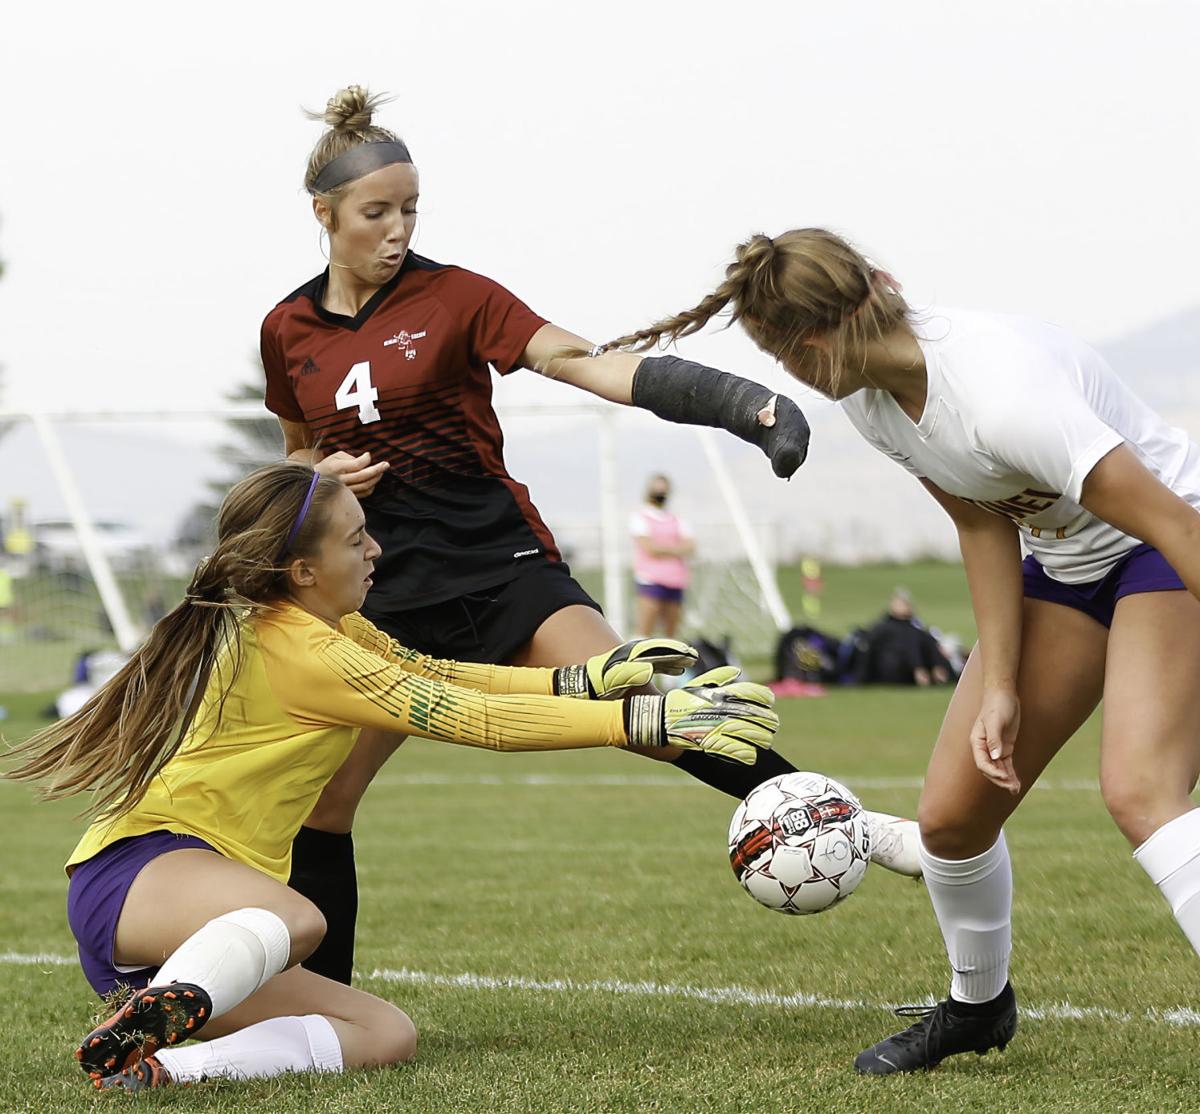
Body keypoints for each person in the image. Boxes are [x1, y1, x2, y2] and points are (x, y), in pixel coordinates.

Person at [588, 226, 1200, 1074]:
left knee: (1143, 792)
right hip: (1062, 566)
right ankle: (978, 1009)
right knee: (952, 819)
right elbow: (981, 522)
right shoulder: (868, 397)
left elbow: (1171, 521)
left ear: (808, 346)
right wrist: (1000, 684)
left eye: (778, 354)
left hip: (1166, 543)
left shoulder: (1001, 387)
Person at [259, 84, 823, 983]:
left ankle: (829, 820)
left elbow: (581, 360)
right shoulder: (285, 329)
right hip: (379, 593)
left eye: (409, 209)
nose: (397, 227)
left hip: (498, 565)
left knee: (644, 707)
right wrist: (315, 480)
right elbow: (299, 457)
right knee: (324, 803)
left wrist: (739, 405)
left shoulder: (458, 297)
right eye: (375, 212)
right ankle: (329, 1012)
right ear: (323, 214)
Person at [4, 462, 779, 1092]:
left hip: (198, 933)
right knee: (300, 918)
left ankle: (158, 1066)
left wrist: (587, 680)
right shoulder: (305, 650)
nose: (375, 551)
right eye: (357, 540)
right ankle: (158, 1004)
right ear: (304, 569)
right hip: (139, 876)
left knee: (383, 1034)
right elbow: (466, 719)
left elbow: (444, 675)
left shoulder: (336, 629)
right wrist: (637, 720)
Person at [630, 474, 694, 638]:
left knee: (671, 630)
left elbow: (690, 546)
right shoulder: (640, 517)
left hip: (675, 579)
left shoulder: (676, 518)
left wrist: (663, 548)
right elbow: (650, 548)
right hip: (651, 578)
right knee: (645, 628)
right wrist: (675, 548)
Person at [851, 588, 952, 687]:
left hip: (907, 671)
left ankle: (935, 671)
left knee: (926, 642)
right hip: (890, 670)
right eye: (899, 603)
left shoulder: (915, 627)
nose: (903, 606)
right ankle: (922, 672)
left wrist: (937, 662)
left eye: (905, 603)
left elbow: (929, 643)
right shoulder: (885, 626)